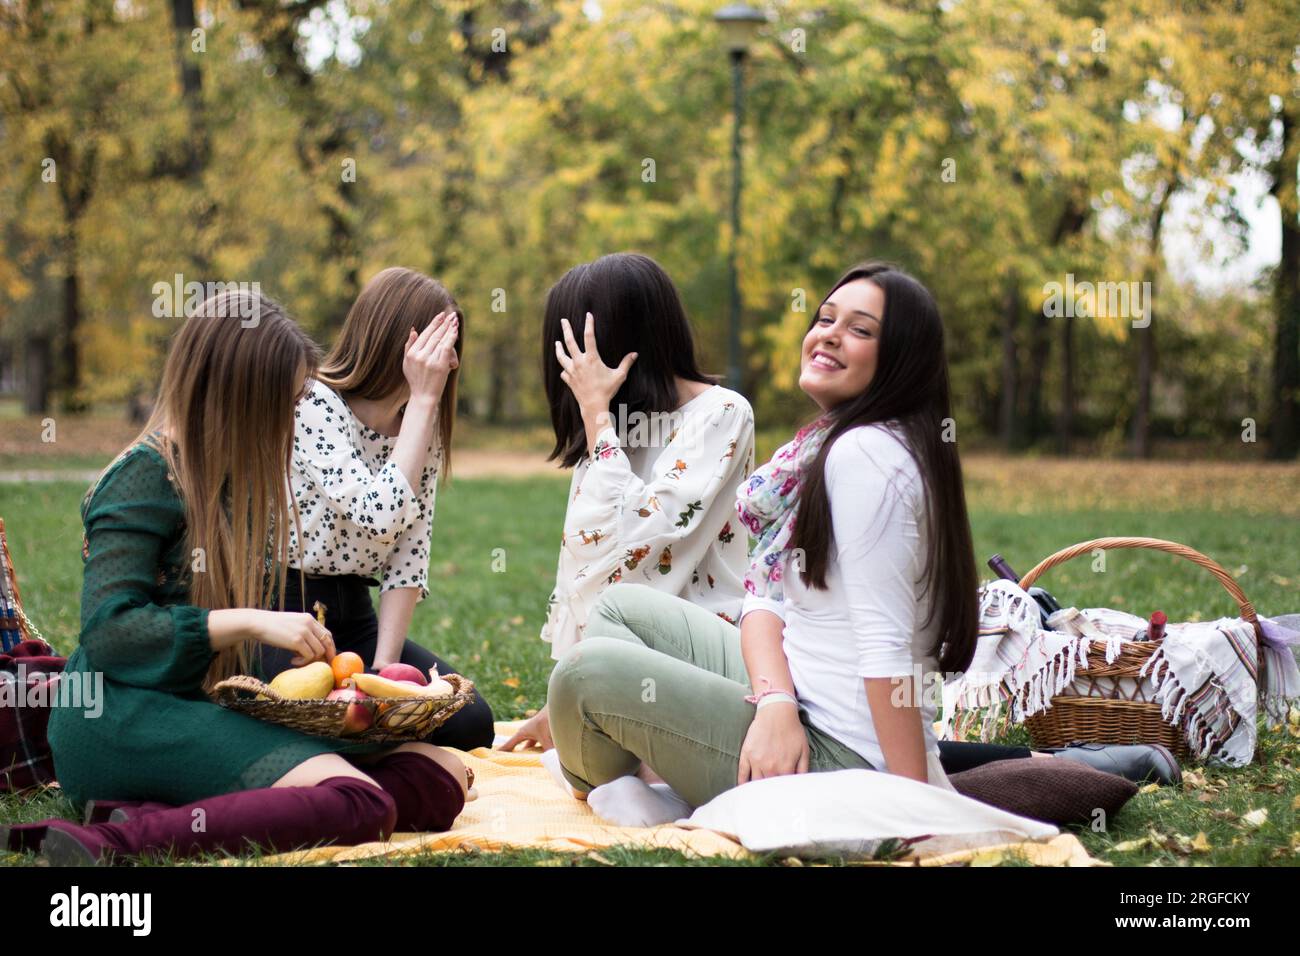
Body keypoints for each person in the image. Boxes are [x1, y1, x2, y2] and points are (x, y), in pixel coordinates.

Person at [545, 262, 1174, 829]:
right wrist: (775, 702)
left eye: (860, 329)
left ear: (898, 358)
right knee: (617, 614)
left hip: (835, 759)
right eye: (825, 318)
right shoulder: (821, 449)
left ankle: (646, 788)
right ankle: (668, 777)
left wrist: (914, 811)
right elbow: (766, 597)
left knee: (585, 673)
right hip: (796, 700)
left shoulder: (867, 455)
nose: (829, 334)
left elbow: (887, 647)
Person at [12, 292, 468, 865]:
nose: (298, 414)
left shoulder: (230, 481)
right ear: (241, 395)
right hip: (121, 716)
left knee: (441, 772)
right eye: (290, 400)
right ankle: (112, 842)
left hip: (196, 703)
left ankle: (153, 814)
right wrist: (253, 622)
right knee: (364, 803)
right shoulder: (143, 476)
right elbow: (109, 634)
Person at [499, 253, 755, 753]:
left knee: (603, 776)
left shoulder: (722, 414)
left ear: (623, 348)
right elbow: (583, 566)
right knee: (582, 771)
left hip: (702, 658)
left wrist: (597, 417)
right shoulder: (614, 428)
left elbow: (646, 542)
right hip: (622, 664)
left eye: (581, 358)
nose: (574, 377)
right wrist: (561, 699)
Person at [257, 267, 494, 751]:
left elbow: (409, 555)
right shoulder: (314, 404)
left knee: (469, 721)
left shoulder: (420, 433)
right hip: (284, 611)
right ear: (395, 340)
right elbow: (378, 513)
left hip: (355, 617)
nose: (445, 361)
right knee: (322, 727)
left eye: (451, 348)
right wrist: (425, 401)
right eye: (435, 343)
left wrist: (385, 673)